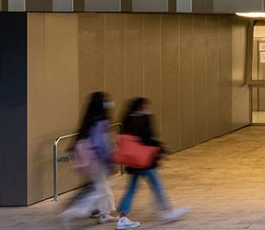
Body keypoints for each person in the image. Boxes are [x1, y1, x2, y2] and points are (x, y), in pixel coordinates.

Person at [114, 97, 189, 228]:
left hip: (131, 161)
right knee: (157, 185)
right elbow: (147, 139)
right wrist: (161, 147)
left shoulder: (126, 119)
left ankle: (122, 217)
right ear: (143, 107)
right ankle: (168, 211)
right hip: (144, 161)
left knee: (131, 189)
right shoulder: (144, 119)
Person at [60, 92, 116, 227]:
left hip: (92, 159)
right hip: (99, 158)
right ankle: (77, 209)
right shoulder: (101, 120)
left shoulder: (90, 118)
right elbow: (100, 143)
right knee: (101, 189)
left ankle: (104, 213)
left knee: (102, 187)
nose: (109, 104)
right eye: (106, 101)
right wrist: (109, 159)